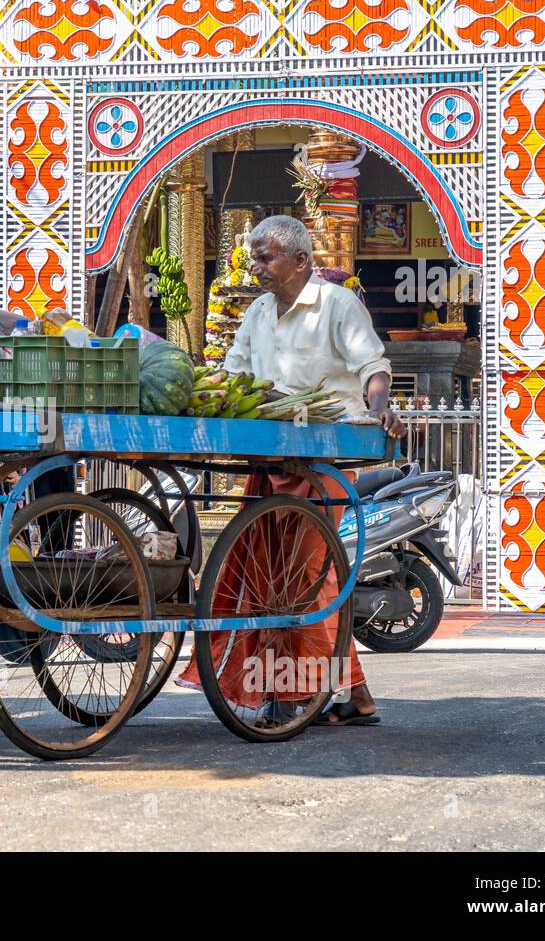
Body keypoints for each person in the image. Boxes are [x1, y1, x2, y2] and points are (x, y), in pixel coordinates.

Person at [178, 215, 404, 727]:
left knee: (307, 579)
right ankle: (355, 697)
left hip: (324, 458)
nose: (255, 267)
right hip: (271, 455)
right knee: (266, 577)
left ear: (300, 261)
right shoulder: (258, 311)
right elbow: (234, 370)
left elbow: (373, 365)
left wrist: (380, 405)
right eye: (254, 257)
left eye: (265, 258)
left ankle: (287, 698)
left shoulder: (337, 305)